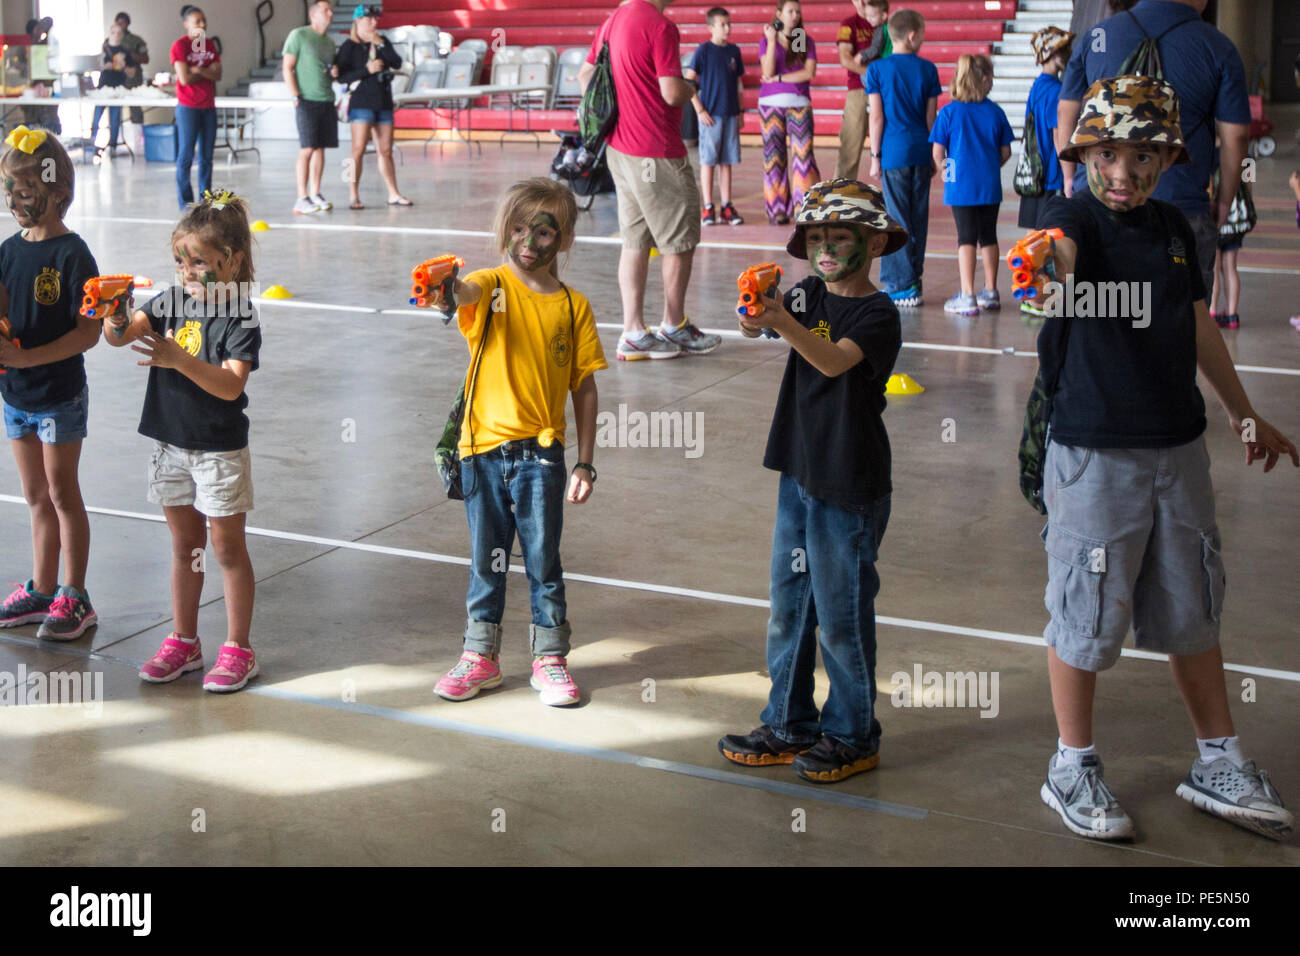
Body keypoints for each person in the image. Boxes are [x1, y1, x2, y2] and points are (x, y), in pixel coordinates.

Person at [1030, 76, 1297, 841]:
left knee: (1193, 605)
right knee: (1083, 612)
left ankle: (1218, 758)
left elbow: (1196, 325)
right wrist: (1045, 268)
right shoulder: (1071, 214)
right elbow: (1058, 259)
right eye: (1107, 152)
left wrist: (1244, 415)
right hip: (1094, 454)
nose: (1123, 172)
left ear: (1170, 158)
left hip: (1178, 453)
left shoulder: (1178, 231)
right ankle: (1070, 763)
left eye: (1143, 155)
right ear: (1083, 154)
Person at [719, 179, 904, 783]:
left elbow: (830, 359)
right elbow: (757, 330)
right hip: (800, 470)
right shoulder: (806, 295)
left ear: (872, 243)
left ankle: (852, 732)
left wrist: (781, 319)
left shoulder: (876, 314)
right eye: (817, 237)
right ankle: (789, 721)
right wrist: (755, 311)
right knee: (790, 605)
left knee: (842, 613)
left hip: (848, 483)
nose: (825, 249)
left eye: (839, 237)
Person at [421, 179, 606, 707]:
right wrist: (446, 288)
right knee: (488, 557)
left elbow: (585, 389)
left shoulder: (573, 307)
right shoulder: (489, 285)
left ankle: (550, 658)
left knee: (544, 559)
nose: (528, 240)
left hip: (542, 455)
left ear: (564, 239)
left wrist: (586, 463)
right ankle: (480, 656)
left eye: (543, 230)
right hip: (481, 452)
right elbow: (465, 293)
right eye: (518, 228)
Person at [101, 190, 263, 693]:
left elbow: (232, 384)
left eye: (199, 262)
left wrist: (179, 360)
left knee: (226, 546)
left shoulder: (241, 315)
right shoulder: (170, 301)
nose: (188, 271)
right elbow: (121, 336)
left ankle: (238, 648)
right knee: (184, 546)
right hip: (170, 445)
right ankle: (184, 640)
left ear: (232, 262)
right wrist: (113, 312)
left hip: (218, 450)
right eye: (180, 260)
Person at [1058, 0, 1251, 295]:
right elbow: (1235, 135)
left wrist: (1070, 175)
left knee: (1101, 315)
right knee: (1184, 315)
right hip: (1182, 204)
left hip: (1099, 200)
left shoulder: (1097, 34)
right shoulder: (1217, 45)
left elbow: (1067, 112)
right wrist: (1225, 198)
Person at [0, 126, 100, 641]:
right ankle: (40, 589)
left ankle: (74, 595)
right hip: (15, 399)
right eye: (9, 191)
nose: (15, 201)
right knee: (34, 493)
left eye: (25, 192)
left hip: (58, 398)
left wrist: (26, 358)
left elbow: (89, 333)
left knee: (63, 495)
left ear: (57, 193)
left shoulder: (72, 255)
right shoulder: (8, 250)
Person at [579, 0, 720, 360]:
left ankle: (634, 331)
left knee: (636, 239)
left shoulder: (613, 21)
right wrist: (691, 89)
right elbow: (671, 92)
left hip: (620, 150)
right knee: (679, 240)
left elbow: (584, 77)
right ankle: (673, 325)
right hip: (656, 152)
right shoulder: (660, 26)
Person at [866, 8, 940, 307]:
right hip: (921, 150)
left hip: (894, 154)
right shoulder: (928, 70)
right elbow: (931, 119)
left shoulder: (877, 70)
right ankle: (914, 279)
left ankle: (899, 284)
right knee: (918, 218)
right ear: (912, 36)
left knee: (895, 219)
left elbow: (877, 119)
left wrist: (874, 156)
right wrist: (936, 155)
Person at [930, 54, 1014, 316]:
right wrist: (988, 168)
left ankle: (967, 294)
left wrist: (950, 174)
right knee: (988, 236)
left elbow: (938, 152)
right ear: (985, 81)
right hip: (989, 185)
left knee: (965, 238)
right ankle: (990, 291)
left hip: (960, 187)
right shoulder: (995, 112)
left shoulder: (949, 113)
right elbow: (1006, 153)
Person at [335, 4, 411, 210]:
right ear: (358, 21)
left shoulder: (382, 42)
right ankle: (353, 194)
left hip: (383, 102)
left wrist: (381, 44)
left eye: (375, 19)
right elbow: (342, 77)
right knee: (357, 150)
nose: (374, 23)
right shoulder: (349, 47)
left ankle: (393, 193)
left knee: (385, 150)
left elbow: (396, 62)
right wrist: (366, 70)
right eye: (369, 19)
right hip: (361, 104)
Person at [758, 0, 820, 225]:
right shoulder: (767, 40)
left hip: (798, 103)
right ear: (779, 14)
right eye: (790, 11)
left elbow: (807, 72)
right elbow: (767, 71)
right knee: (774, 157)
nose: (794, 15)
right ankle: (777, 209)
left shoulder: (801, 39)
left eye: (797, 12)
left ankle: (804, 207)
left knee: (803, 156)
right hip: (770, 104)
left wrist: (781, 79)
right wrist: (773, 41)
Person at [684, 6, 745, 226]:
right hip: (711, 116)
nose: (727, 28)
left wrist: (740, 110)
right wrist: (699, 109)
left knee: (727, 161)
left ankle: (727, 206)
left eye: (729, 23)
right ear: (711, 27)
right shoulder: (703, 51)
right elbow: (689, 82)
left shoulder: (734, 51)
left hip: (730, 114)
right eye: (722, 24)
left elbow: (738, 83)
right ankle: (708, 206)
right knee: (708, 161)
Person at [284, 0, 340, 216]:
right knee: (307, 148)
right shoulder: (298, 35)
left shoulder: (328, 43)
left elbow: (327, 72)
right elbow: (287, 67)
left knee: (320, 148)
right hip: (306, 100)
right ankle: (301, 197)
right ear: (313, 15)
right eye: (326, 10)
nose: (331, 13)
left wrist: (334, 73)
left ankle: (315, 192)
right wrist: (296, 96)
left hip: (326, 99)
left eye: (331, 10)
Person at [171, 5, 221, 212]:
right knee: (185, 156)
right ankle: (186, 204)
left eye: (204, 20)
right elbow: (184, 78)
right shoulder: (180, 46)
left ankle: (206, 200)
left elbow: (218, 74)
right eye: (197, 21)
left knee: (207, 157)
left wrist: (198, 70)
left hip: (208, 107)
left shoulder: (208, 45)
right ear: (186, 24)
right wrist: (204, 71)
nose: (202, 24)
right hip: (188, 107)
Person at [834, 0, 890, 182]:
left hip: (887, 90)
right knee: (851, 144)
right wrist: (873, 75)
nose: (863, 2)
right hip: (859, 89)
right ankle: (840, 194)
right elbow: (845, 59)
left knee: (889, 142)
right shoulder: (849, 24)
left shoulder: (885, 22)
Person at [89, 22, 136, 160]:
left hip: (117, 89)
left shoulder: (125, 52)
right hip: (103, 89)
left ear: (122, 36)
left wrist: (124, 67)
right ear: (109, 33)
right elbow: (94, 66)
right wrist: (105, 66)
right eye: (113, 32)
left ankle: (113, 147)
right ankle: (91, 144)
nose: (116, 35)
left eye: (119, 33)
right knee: (96, 117)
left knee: (115, 119)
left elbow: (132, 72)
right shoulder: (103, 49)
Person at [115, 11, 150, 127]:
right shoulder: (112, 39)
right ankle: (115, 137)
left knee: (135, 106)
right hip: (116, 77)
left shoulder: (136, 40)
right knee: (115, 107)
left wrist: (130, 53)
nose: (120, 25)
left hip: (133, 78)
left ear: (128, 24)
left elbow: (145, 59)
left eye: (123, 23)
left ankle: (138, 135)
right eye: (118, 23)